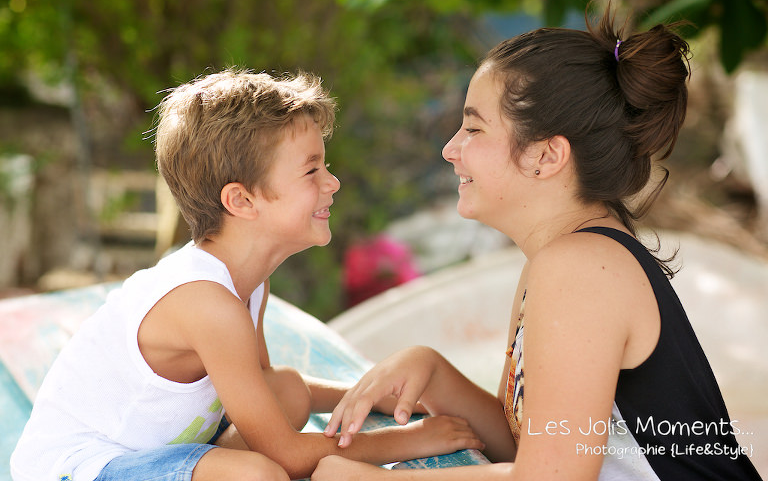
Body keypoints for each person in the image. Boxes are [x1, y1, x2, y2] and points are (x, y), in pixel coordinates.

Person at [313, 5, 764, 481]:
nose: (450, 149)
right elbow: (534, 448)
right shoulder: (560, 260)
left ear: (546, 155)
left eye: (474, 128)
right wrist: (435, 373)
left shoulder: (581, 268)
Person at [10, 69, 483, 481]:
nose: (332, 182)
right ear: (241, 200)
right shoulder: (206, 302)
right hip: (85, 468)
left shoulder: (248, 280)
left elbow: (261, 384)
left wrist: (369, 397)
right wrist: (408, 439)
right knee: (257, 474)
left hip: (159, 448)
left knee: (288, 391)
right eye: (311, 171)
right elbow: (285, 455)